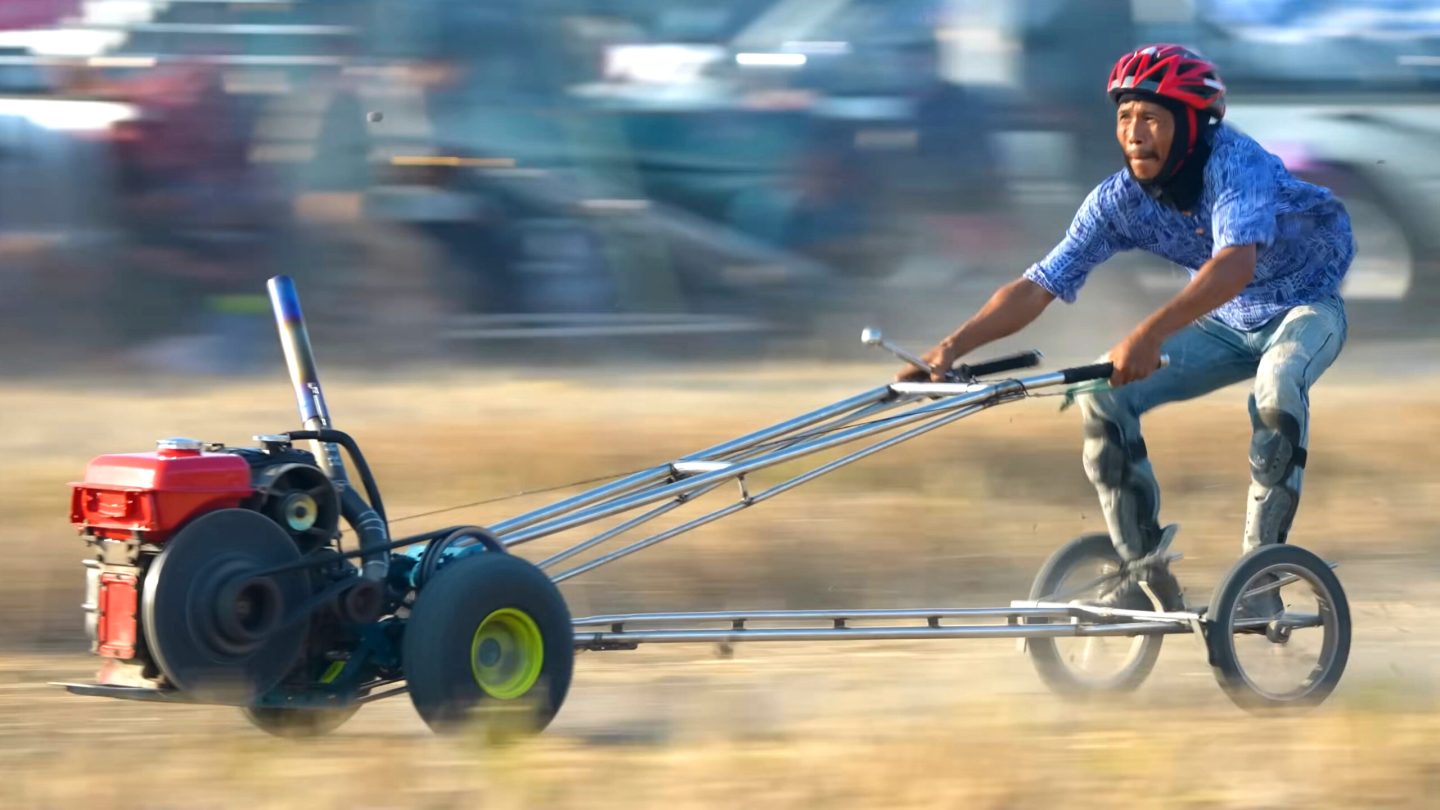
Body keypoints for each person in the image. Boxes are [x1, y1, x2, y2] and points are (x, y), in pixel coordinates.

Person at [897, 44, 1354, 612]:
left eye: (1151, 118)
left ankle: (1259, 577)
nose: (1134, 133)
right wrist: (948, 349)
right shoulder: (1118, 202)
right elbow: (1038, 285)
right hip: (1225, 325)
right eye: (1124, 117)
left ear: (1190, 127)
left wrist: (1150, 333)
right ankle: (1142, 574)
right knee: (1100, 397)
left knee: (1279, 388)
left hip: (1305, 309)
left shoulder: (1238, 163)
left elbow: (1235, 264)